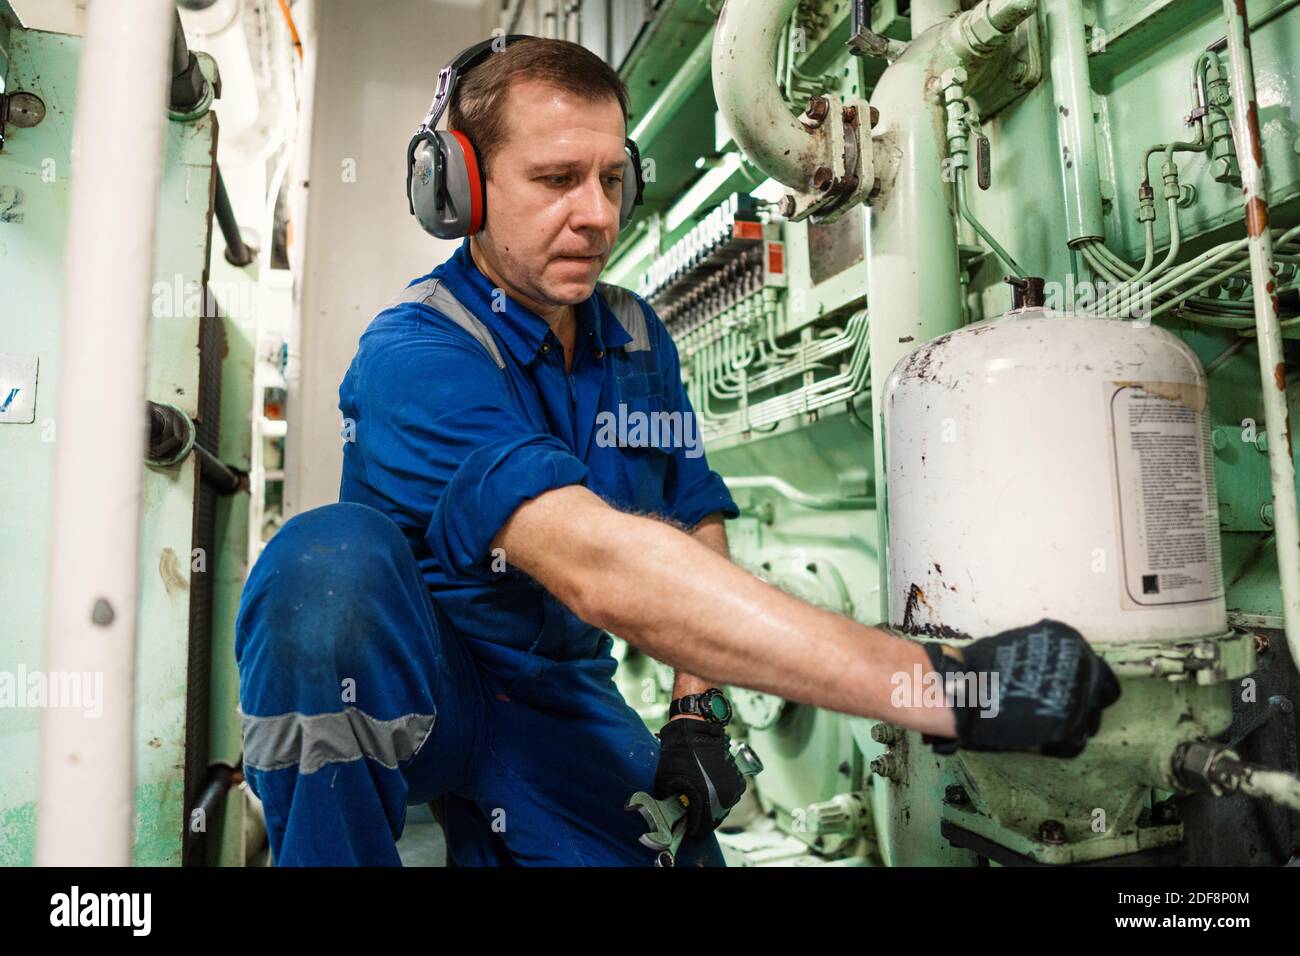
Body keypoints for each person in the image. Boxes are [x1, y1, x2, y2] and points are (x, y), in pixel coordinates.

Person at [234, 35, 1120, 867]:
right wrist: (944, 687)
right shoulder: (413, 353)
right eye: (555, 179)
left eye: (611, 178)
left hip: (554, 696)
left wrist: (696, 707)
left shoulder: (631, 333)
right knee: (324, 564)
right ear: (460, 187)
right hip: (429, 691)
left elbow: (689, 508)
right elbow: (591, 559)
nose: (595, 215)